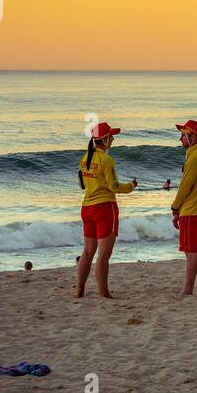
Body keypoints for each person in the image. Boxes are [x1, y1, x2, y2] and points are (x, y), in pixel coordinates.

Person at [75, 121, 137, 299]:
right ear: (105, 139)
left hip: (86, 207)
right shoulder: (106, 160)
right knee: (103, 255)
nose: (114, 139)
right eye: (112, 136)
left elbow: (81, 184)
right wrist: (131, 186)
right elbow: (114, 186)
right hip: (104, 208)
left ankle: (79, 289)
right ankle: (104, 293)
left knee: (87, 252)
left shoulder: (85, 158)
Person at [171, 119, 197, 295]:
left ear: (193, 137)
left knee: (190, 251)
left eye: (183, 135)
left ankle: (187, 290)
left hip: (191, 210)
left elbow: (185, 186)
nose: (180, 139)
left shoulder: (194, 157)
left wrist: (175, 208)